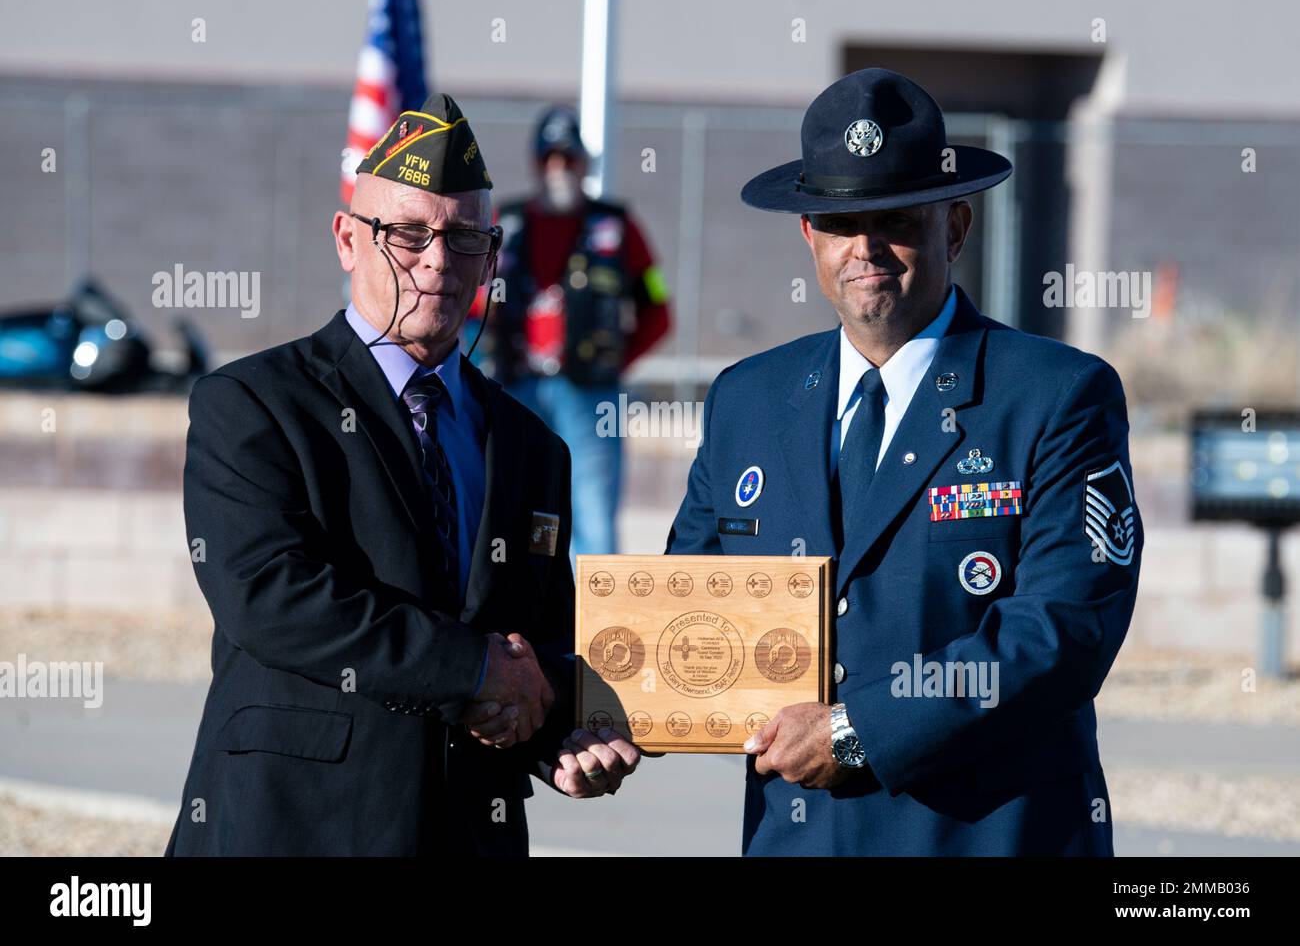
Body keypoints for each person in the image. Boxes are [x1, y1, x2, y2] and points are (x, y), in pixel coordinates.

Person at [665, 68, 1142, 855]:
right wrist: (603, 714)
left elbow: (1062, 631)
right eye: (840, 220)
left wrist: (858, 733)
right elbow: (695, 601)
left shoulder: (1057, 395)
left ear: (954, 228)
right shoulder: (748, 399)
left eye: (894, 218)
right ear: (808, 235)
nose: (866, 247)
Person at [166, 94, 640, 858]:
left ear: (492, 256)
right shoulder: (254, 403)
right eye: (407, 233)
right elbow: (272, 596)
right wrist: (476, 669)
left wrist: (561, 733)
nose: (437, 262)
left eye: (464, 239)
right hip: (295, 827)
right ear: (348, 239)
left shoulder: (531, 447)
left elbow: (541, 636)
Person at [474, 106, 672, 556]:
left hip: (590, 395)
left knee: (591, 512)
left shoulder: (616, 226)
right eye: (549, 158)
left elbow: (658, 306)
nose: (558, 169)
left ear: (584, 163)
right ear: (535, 164)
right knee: (516, 507)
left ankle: (596, 622)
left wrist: (613, 362)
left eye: (568, 158)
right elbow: (472, 303)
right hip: (516, 390)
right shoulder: (508, 223)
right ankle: (524, 612)